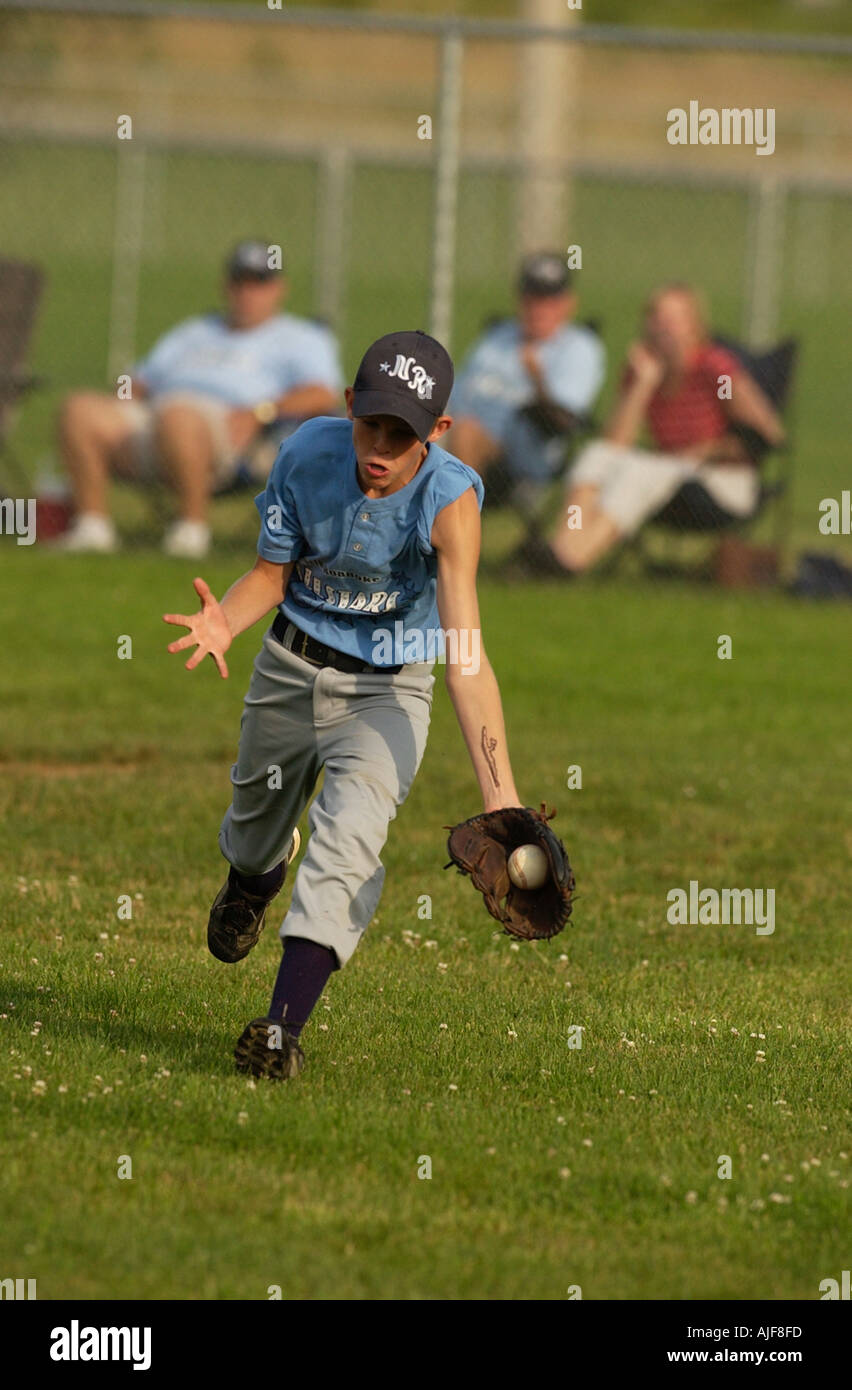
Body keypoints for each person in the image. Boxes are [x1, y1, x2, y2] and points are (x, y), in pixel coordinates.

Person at [162, 330, 523, 1080]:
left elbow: (466, 659)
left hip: (389, 692)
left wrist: (505, 804)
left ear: (439, 433)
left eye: (405, 432)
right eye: (373, 423)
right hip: (291, 665)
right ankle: (253, 882)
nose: (383, 446)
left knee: (348, 847)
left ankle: (279, 1032)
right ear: (350, 404)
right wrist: (224, 620)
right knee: (254, 837)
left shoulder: (451, 501)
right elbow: (271, 574)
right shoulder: (304, 455)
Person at [56, 240, 343, 559]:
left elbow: (322, 393)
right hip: (155, 419)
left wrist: (262, 412)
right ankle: (92, 527)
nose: (247, 292)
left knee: (178, 414)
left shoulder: (302, 337)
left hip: (233, 431)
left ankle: (191, 530)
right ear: (225, 286)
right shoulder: (194, 330)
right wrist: (125, 393)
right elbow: (139, 378)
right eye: (239, 281)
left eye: (258, 282)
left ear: (279, 288)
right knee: (79, 408)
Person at [537, 282, 786, 574]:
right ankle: (563, 546)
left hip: (721, 479)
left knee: (643, 472)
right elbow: (616, 444)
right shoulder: (643, 368)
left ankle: (569, 561)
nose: (663, 328)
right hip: (669, 470)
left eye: (673, 320)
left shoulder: (714, 370)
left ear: (694, 326)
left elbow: (766, 432)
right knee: (596, 455)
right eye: (656, 318)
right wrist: (643, 384)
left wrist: (709, 450)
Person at [447, 251, 605, 505]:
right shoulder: (498, 336)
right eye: (532, 298)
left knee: (464, 432)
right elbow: (457, 391)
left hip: (526, 454)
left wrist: (537, 379)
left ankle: (450, 529)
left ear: (568, 303)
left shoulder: (579, 347)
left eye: (549, 300)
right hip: (461, 433)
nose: (538, 309)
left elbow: (562, 420)